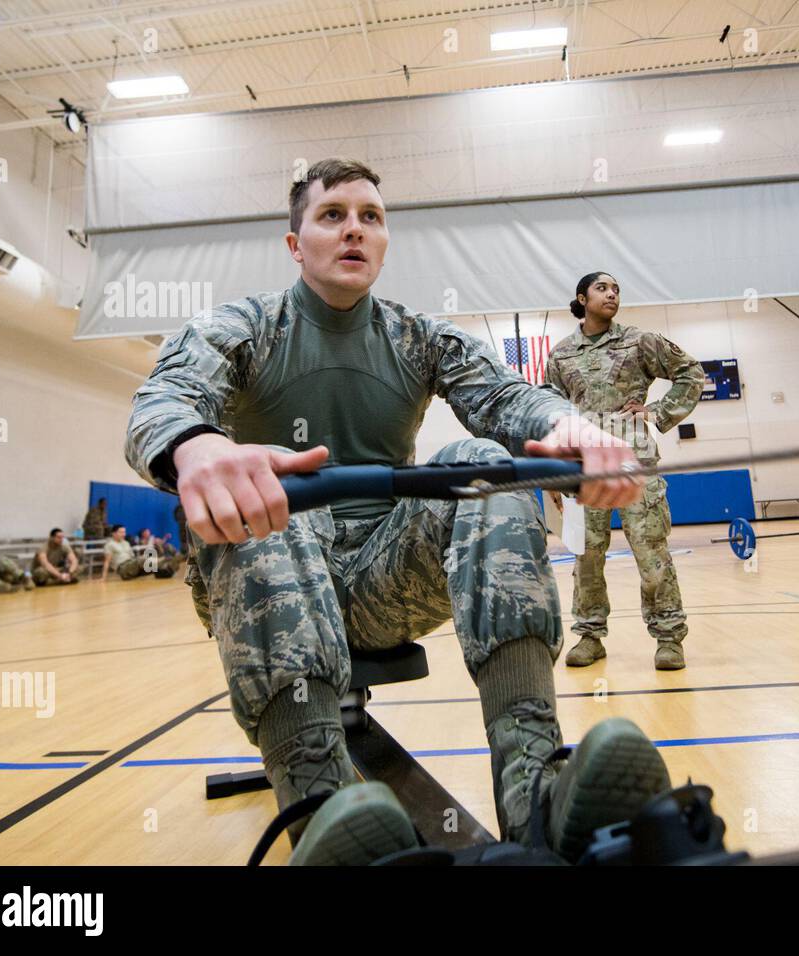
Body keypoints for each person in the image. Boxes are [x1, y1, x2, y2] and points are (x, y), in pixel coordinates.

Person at [124, 158, 673, 866]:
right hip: (275, 577)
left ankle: (533, 786)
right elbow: (162, 401)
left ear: (384, 242)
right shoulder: (242, 325)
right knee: (266, 494)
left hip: (386, 577)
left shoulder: (419, 336)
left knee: (482, 465)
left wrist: (567, 426)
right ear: (296, 244)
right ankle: (322, 809)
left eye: (371, 218)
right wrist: (196, 446)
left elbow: (507, 399)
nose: (354, 229)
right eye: (332, 215)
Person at [545, 272, 703, 671]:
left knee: (652, 553)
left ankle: (668, 637)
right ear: (582, 298)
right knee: (586, 556)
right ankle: (589, 635)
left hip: (635, 464)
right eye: (602, 288)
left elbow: (692, 373)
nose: (612, 294)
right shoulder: (561, 354)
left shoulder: (640, 341)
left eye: (616, 289)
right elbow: (549, 412)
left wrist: (658, 412)